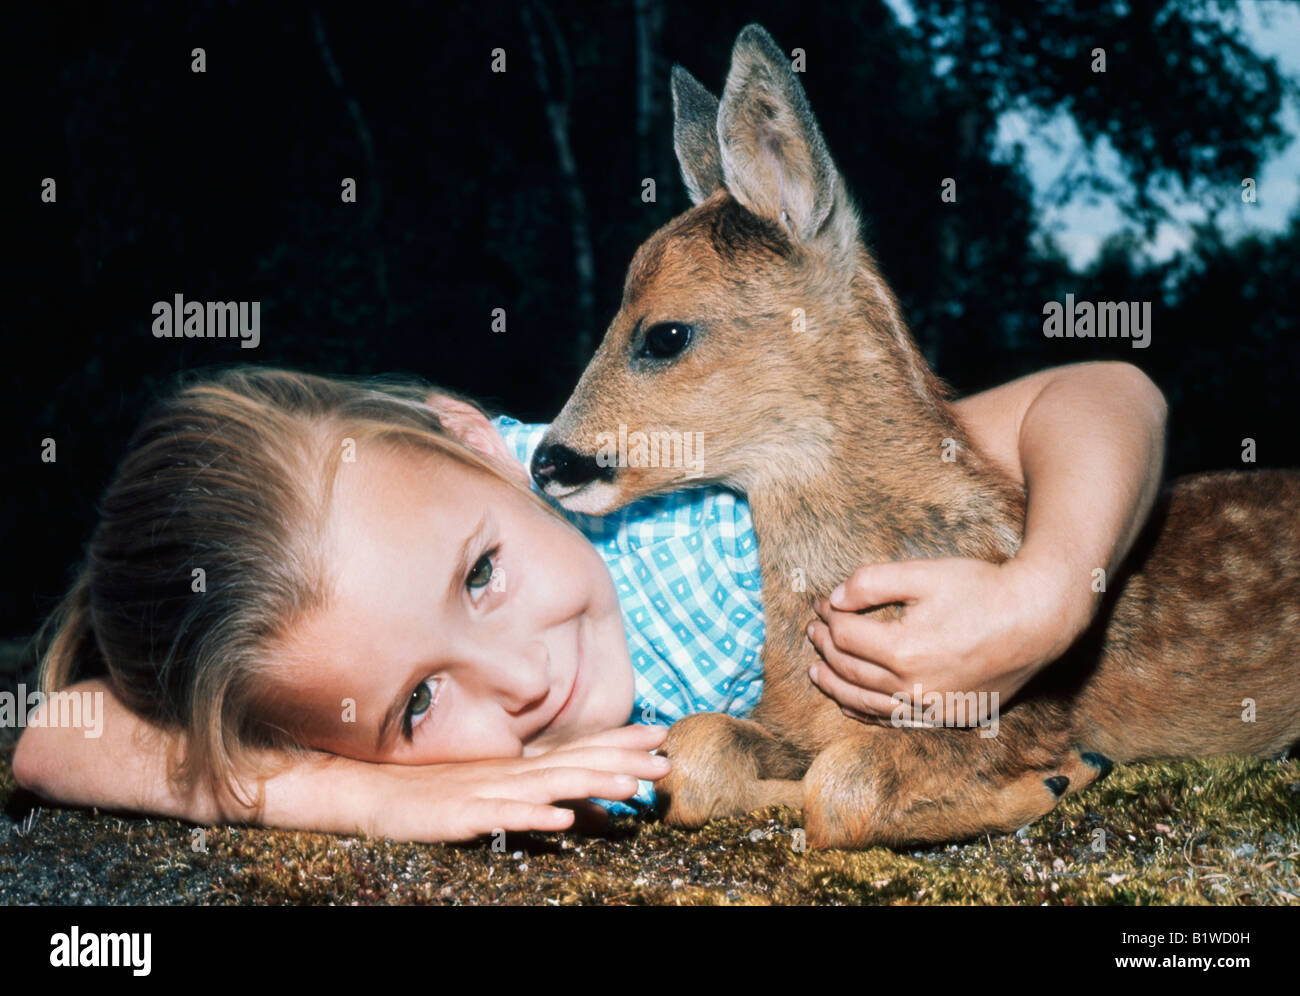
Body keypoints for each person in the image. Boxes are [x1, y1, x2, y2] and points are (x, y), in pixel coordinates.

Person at [12, 360, 1167, 843]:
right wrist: (357, 800)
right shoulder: (384, 751)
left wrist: (1045, 595)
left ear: (478, 446)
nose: (522, 679)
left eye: (480, 575)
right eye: (415, 705)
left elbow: (1098, 388)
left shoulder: (694, 507)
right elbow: (49, 745)